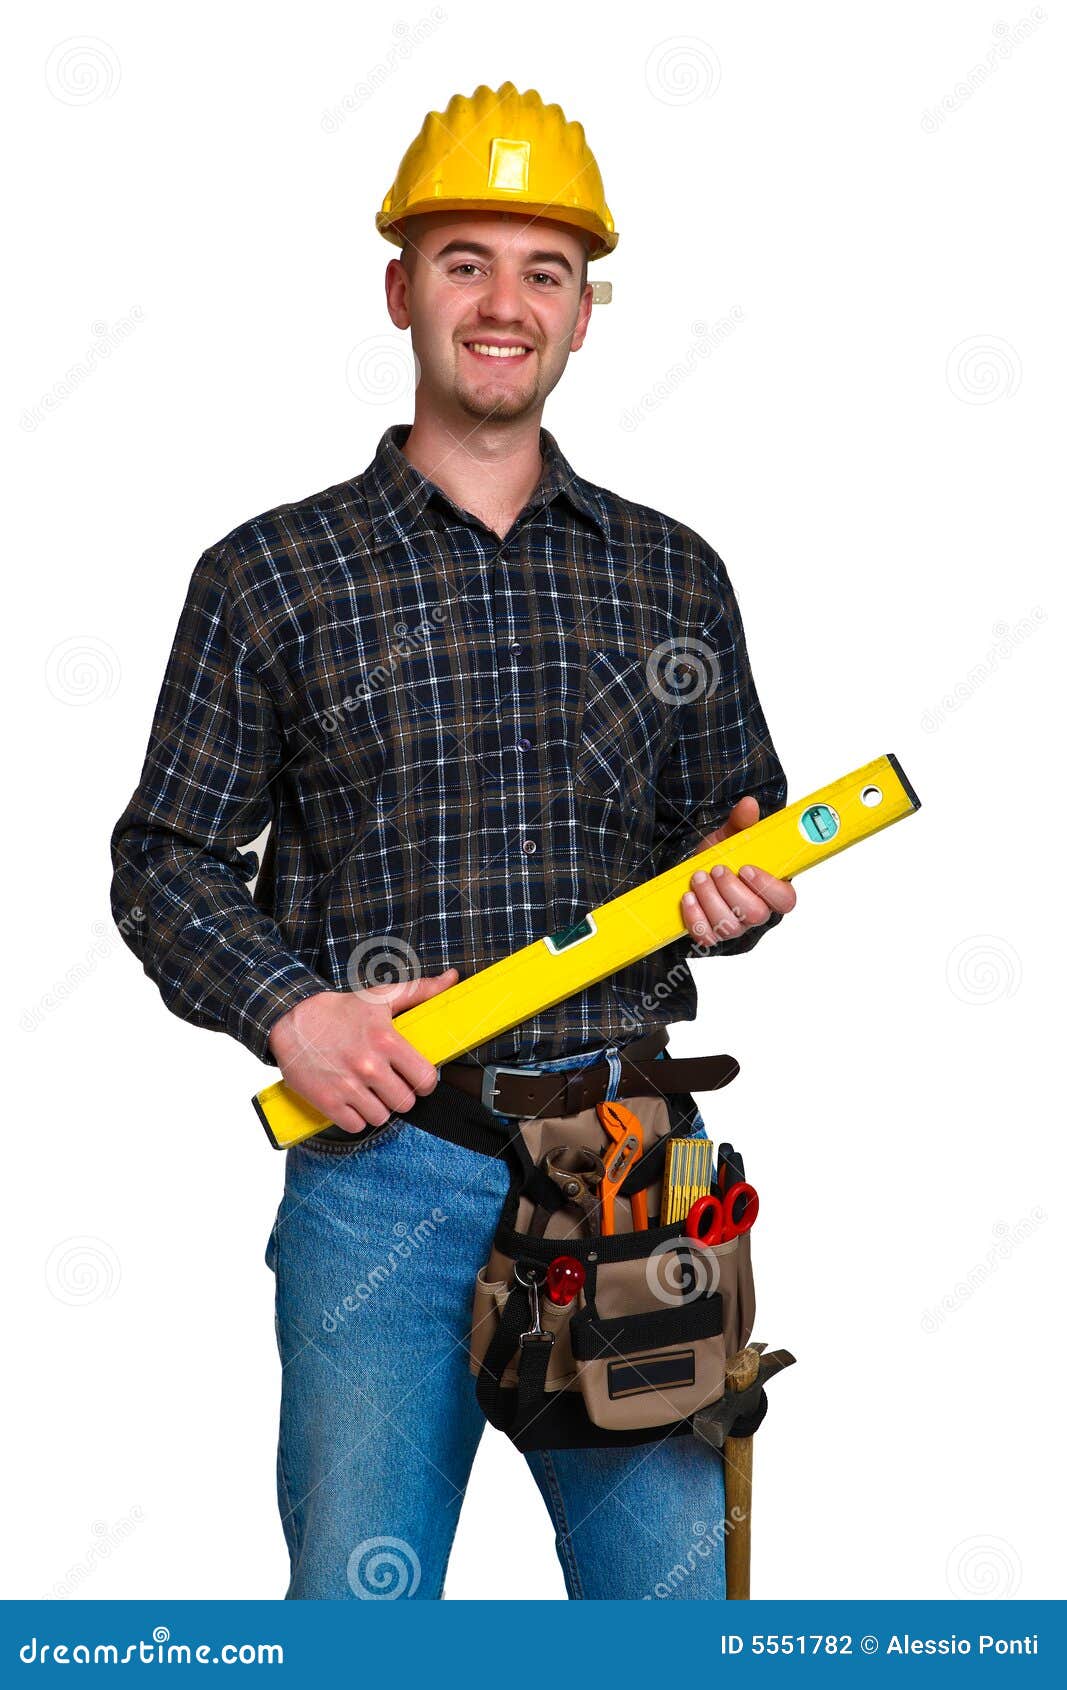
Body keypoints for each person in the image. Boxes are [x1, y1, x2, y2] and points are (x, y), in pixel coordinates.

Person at [110, 81, 796, 1600]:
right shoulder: (271, 574)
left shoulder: (672, 577)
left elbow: (733, 834)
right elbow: (163, 859)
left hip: (629, 1178)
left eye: (545, 270)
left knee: (673, 1633)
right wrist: (290, 1013)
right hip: (381, 1178)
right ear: (401, 289)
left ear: (584, 313)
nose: (504, 304)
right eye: (465, 261)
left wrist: (742, 891)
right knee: (360, 1628)